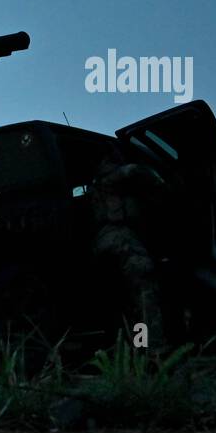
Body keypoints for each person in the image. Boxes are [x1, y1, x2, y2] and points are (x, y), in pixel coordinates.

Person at [90, 145, 169, 349]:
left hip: (104, 241)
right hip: (119, 238)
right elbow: (134, 171)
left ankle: (129, 346)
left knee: (125, 299)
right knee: (145, 291)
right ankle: (151, 347)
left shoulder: (98, 183)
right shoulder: (111, 177)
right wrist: (161, 182)